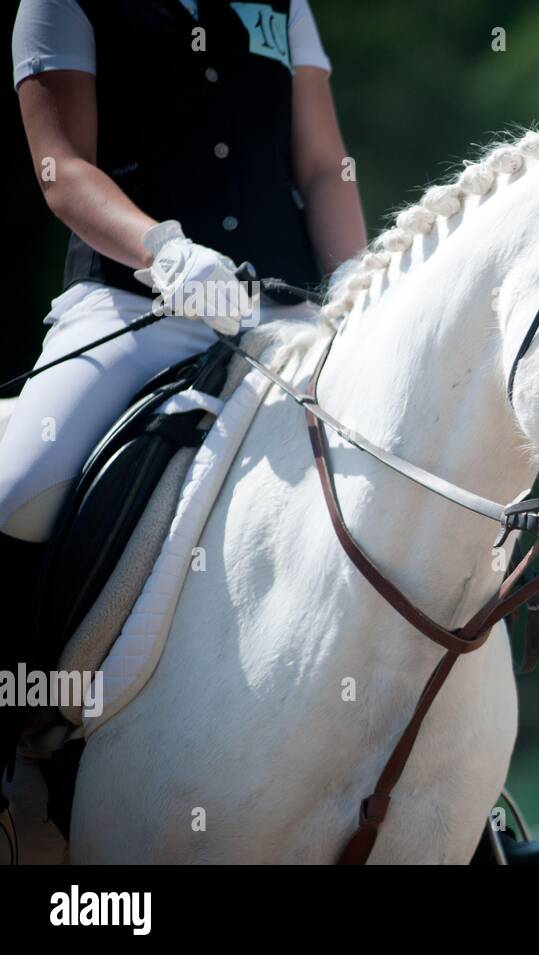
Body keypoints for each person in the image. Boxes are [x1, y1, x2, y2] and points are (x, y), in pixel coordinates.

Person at [1, 0, 366, 813]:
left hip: (287, 308)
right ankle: (17, 744)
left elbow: (321, 165)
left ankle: (469, 793)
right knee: (16, 485)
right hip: (136, 304)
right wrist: (163, 249)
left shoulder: (283, 4)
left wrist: (357, 295)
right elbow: (62, 167)